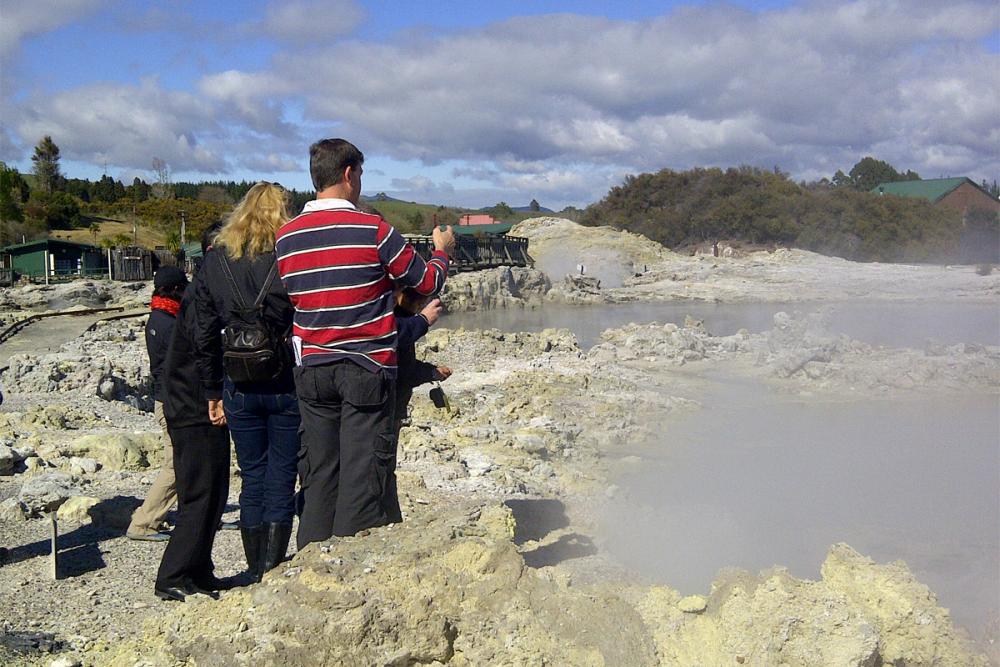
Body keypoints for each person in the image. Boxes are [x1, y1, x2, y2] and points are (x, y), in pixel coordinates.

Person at [275, 138, 456, 549]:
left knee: (319, 475)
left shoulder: (285, 236)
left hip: (312, 370)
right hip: (366, 368)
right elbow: (427, 282)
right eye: (360, 174)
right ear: (348, 174)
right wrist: (442, 252)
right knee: (362, 477)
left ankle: (310, 562)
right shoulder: (374, 230)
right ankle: (353, 566)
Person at [193, 182, 298, 581]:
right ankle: (271, 565)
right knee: (282, 475)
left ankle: (255, 568)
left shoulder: (217, 259)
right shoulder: (288, 255)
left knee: (252, 476)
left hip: (237, 382)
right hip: (284, 378)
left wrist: (212, 390)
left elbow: (204, 332)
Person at [154, 223, 231, 602]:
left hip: (195, 402)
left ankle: (198, 569)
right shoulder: (202, 292)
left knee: (215, 491)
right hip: (192, 405)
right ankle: (172, 573)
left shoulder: (202, 288)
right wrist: (215, 394)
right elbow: (204, 348)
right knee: (199, 492)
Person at [127, 266, 188, 542]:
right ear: (175, 290)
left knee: (182, 462)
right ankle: (144, 522)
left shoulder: (157, 316)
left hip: (164, 398)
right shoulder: (170, 323)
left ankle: (191, 514)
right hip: (174, 400)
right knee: (175, 465)